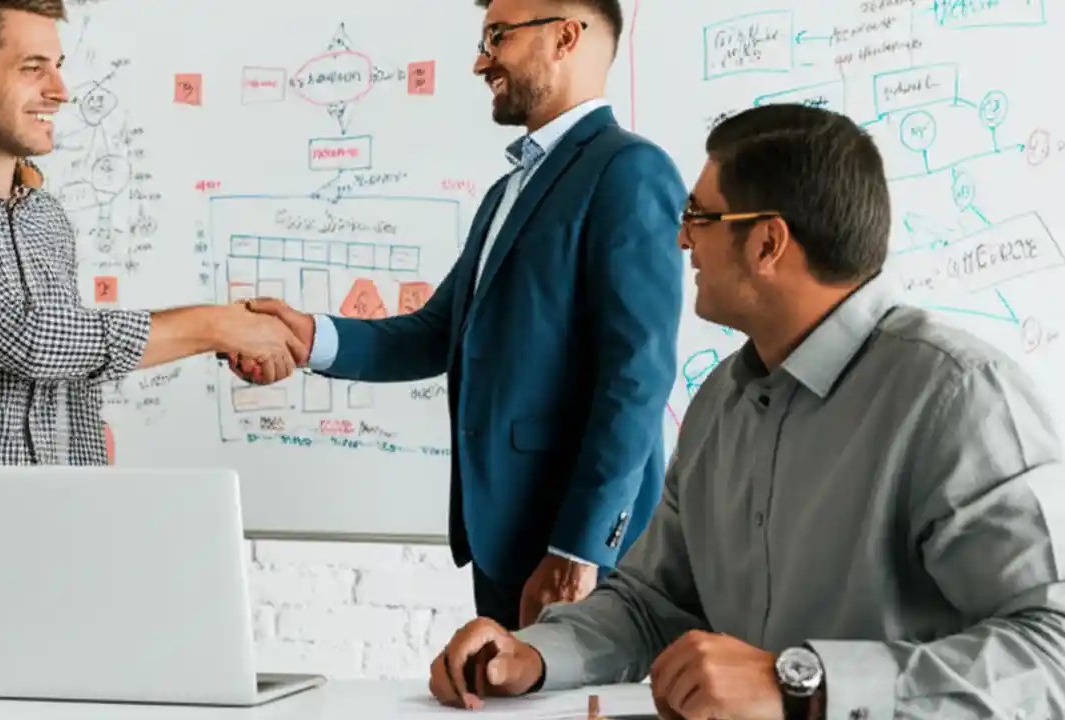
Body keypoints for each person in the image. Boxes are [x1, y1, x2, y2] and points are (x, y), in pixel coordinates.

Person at [428, 103, 1065, 719]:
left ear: (767, 243)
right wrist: (533, 653)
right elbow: (653, 601)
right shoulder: (720, 403)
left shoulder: (960, 398)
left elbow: (1052, 654)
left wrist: (802, 685)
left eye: (699, 216)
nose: (681, 239)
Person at [0, 0, 304, 640]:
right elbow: (28, 340)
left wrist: (93, 515)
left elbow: (69, 374)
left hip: (53, 537)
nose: (61, 89)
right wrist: (218, 325)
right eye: (33, 68)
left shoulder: (44, 217)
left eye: (57, 65)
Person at [237, 0, 684, 630]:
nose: (480, 61)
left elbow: (637, 377)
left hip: (575, 552)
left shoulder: (628, 171)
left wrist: (580, 548)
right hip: (504, 540)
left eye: (496, 37)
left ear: (564, 37)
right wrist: (310, 339)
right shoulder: (509, 190)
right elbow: (437, 332)